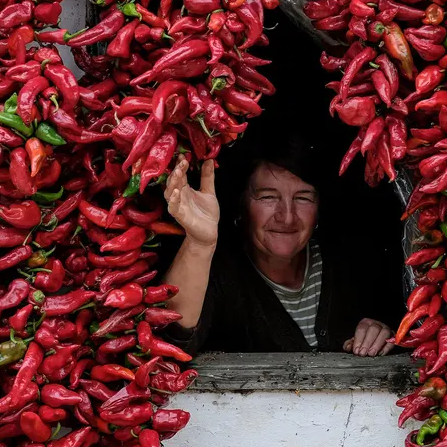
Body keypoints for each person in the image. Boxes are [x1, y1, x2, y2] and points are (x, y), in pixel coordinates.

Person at [161, 132, 403, 355]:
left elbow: (402, 328)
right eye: (268, 197)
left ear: (319, 209)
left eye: (303, 198)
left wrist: (384, 333)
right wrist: (198, 243)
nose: (286, 217)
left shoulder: (353, 263)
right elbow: (171, 339)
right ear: (242, 206)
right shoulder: (221, 271)